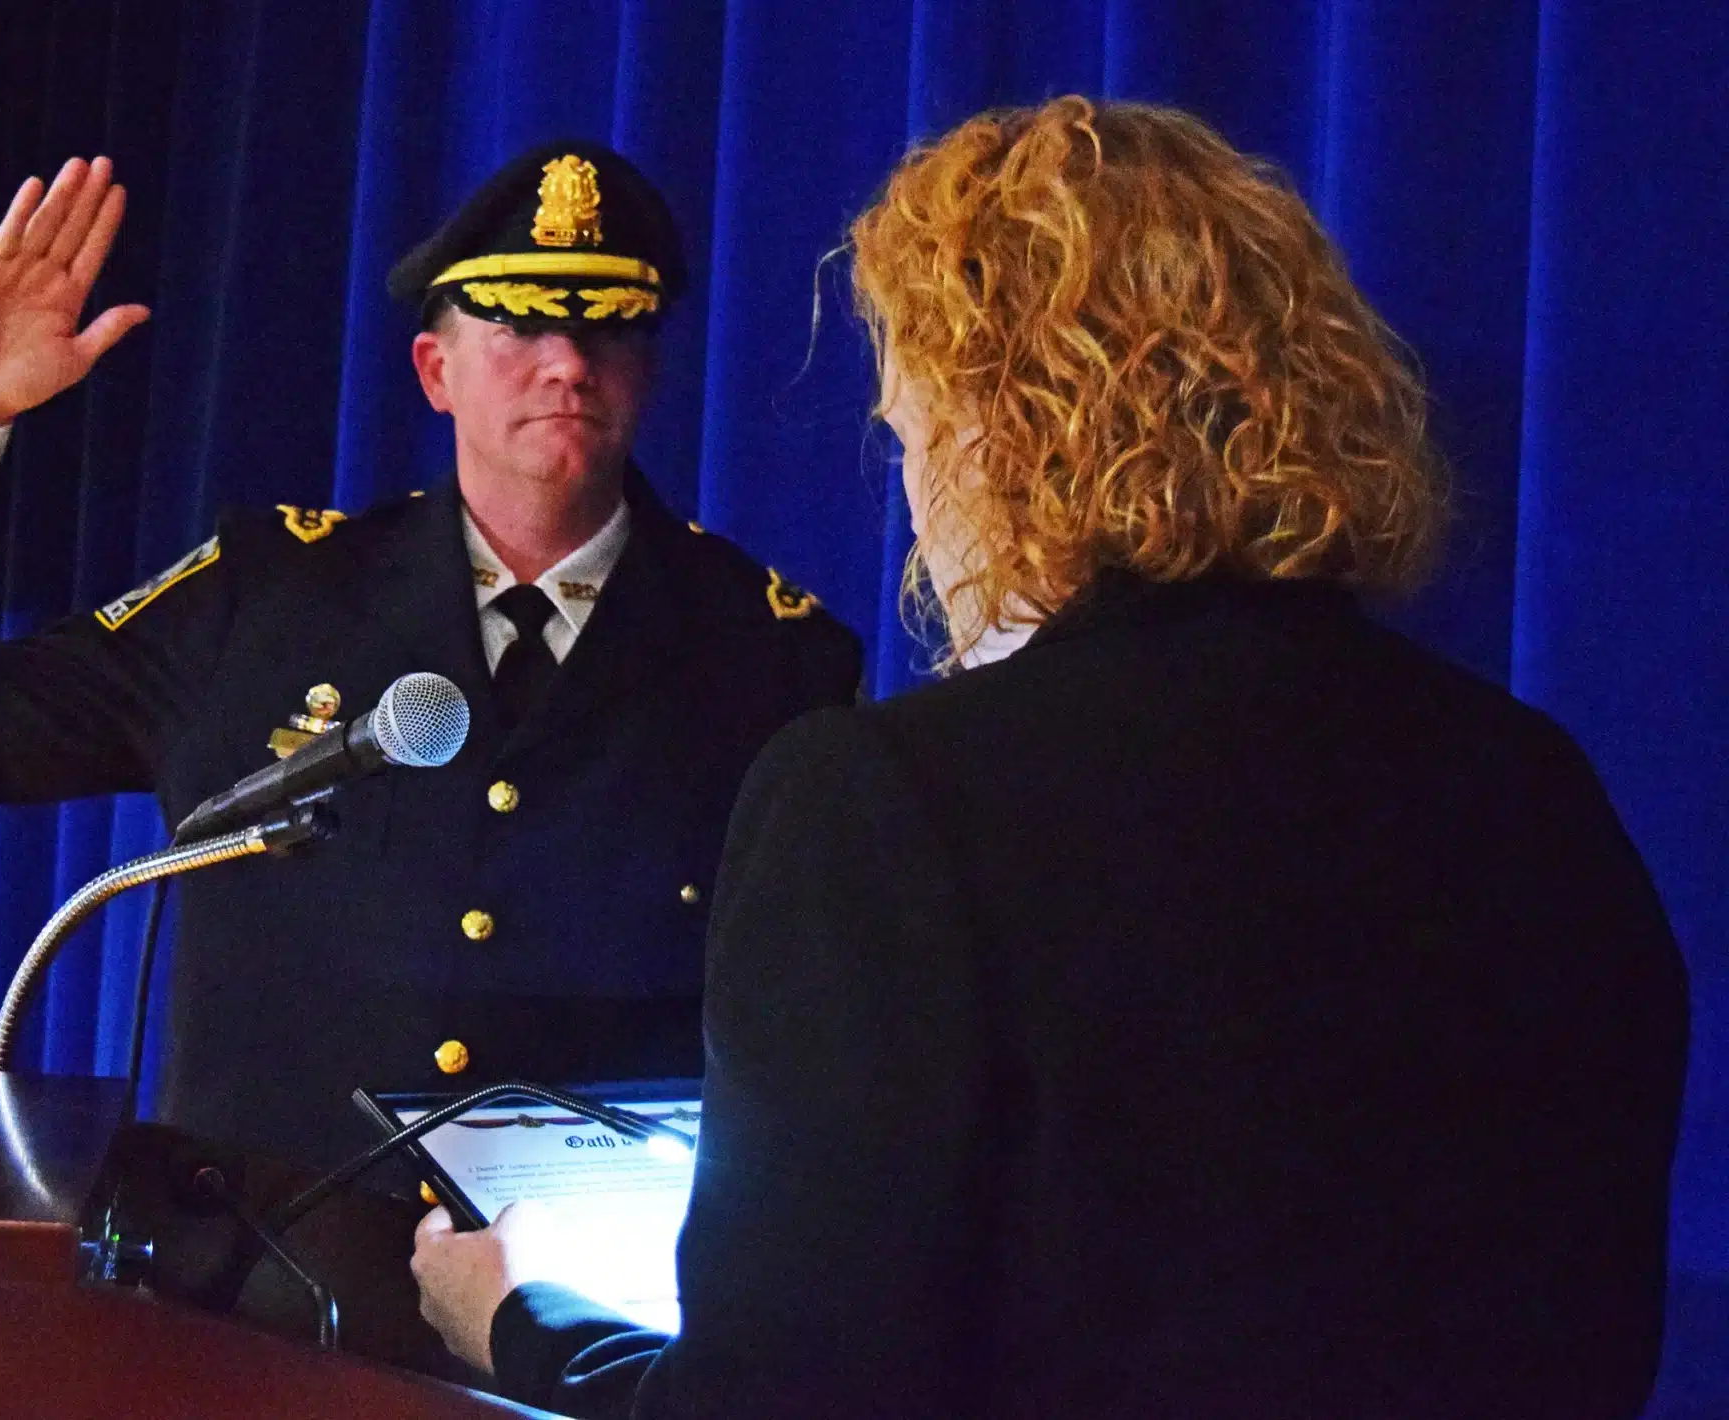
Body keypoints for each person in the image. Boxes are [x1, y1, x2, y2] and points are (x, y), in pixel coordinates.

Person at [410, 97, 1690, 1418]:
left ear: (998, 430)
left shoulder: (893, 804)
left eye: (909, 434)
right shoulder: (1535, 786)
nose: (914, 500)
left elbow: (781, 1397)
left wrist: (528, 1323)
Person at [0, 141, 863, 1166]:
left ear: (649, 370)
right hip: (265, 1253)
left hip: (593, 1265)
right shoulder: (262, 597)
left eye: (607, 328)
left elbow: (813, 1024)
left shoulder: (768, 655)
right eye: (519, 325)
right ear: (434, 371)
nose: (567, 364)